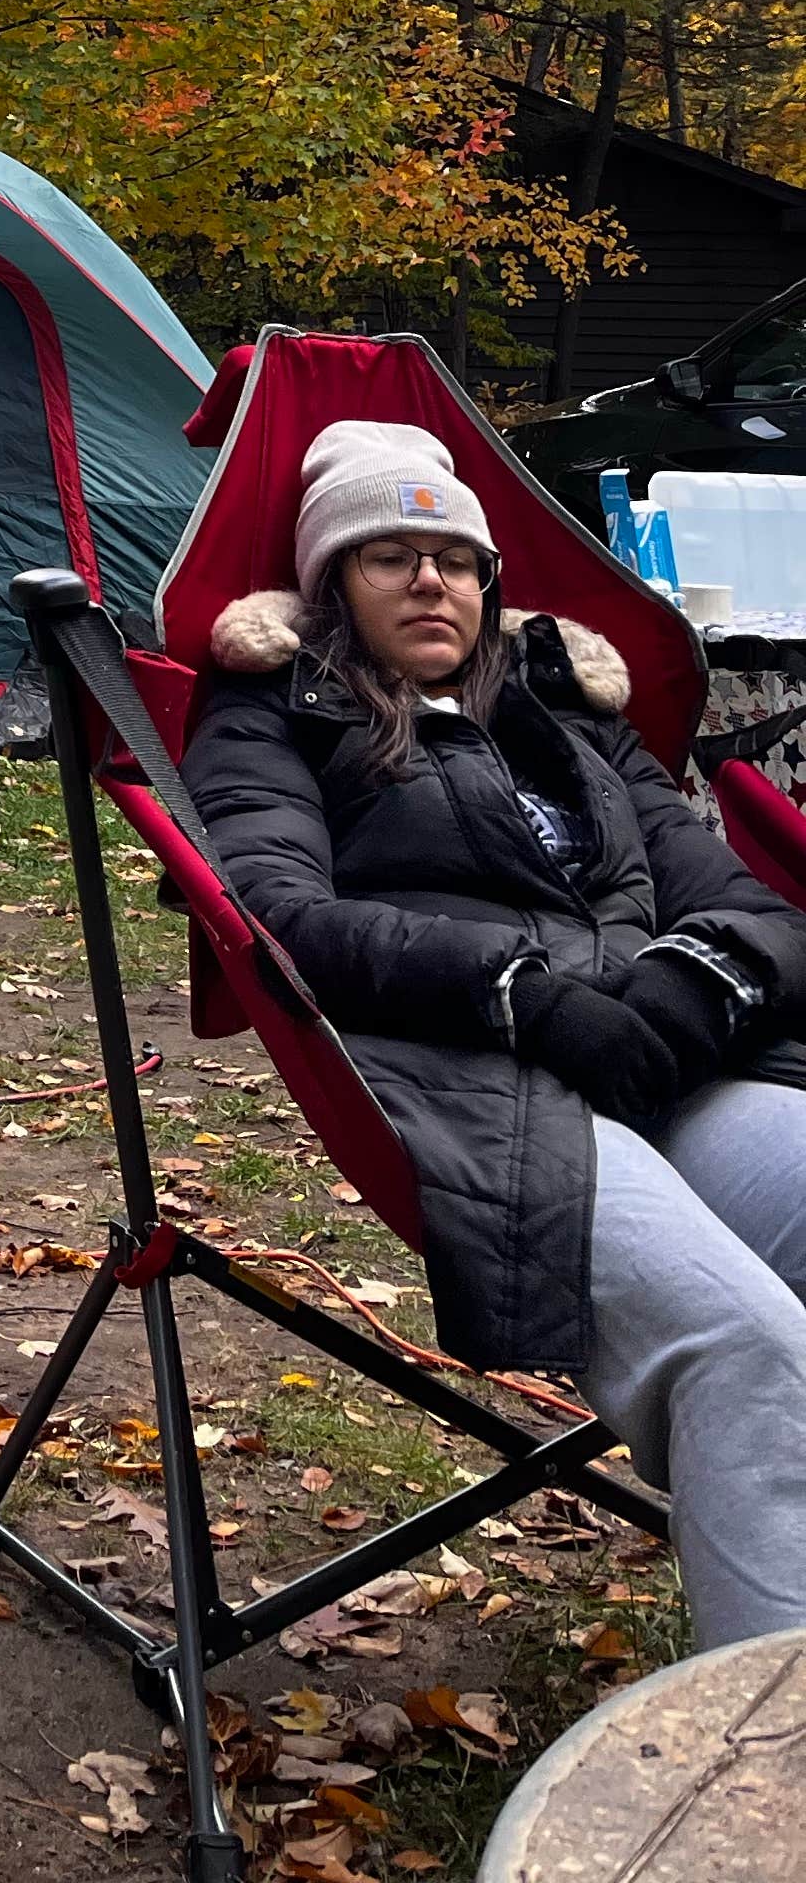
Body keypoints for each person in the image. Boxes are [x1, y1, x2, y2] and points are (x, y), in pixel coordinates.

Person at [186, 418, 806, 1646]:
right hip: (477, 1079)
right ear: (327, 589)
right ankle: (769, 1761)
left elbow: (746, 904)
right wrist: (519, 990)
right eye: (387, 554)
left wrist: (694, 980)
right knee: (750, 1352)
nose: (432, 578)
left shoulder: (573, 722)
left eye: (456, 557)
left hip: (666, 1053)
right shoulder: (276, 718)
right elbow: (281, 915)